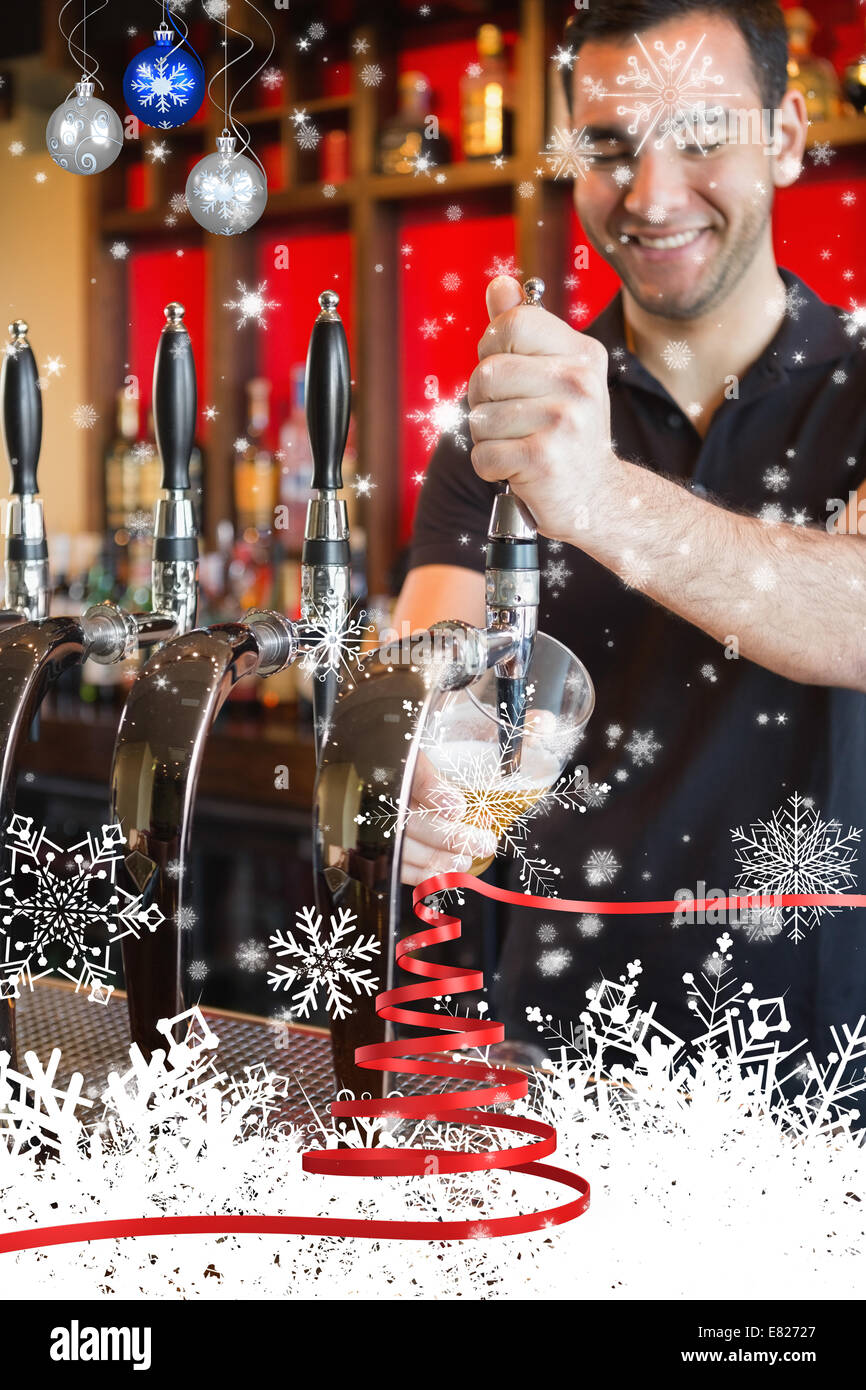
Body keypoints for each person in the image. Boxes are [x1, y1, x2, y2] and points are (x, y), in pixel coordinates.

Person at [390, 0, 866, 1050]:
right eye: (608, 147)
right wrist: (420, 758)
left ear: (786, 137)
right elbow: (433, 659)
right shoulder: (514, 418)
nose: (649, 195)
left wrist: (602, 499)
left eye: (701, 137)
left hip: (820, 1066)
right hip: (552, 1047)